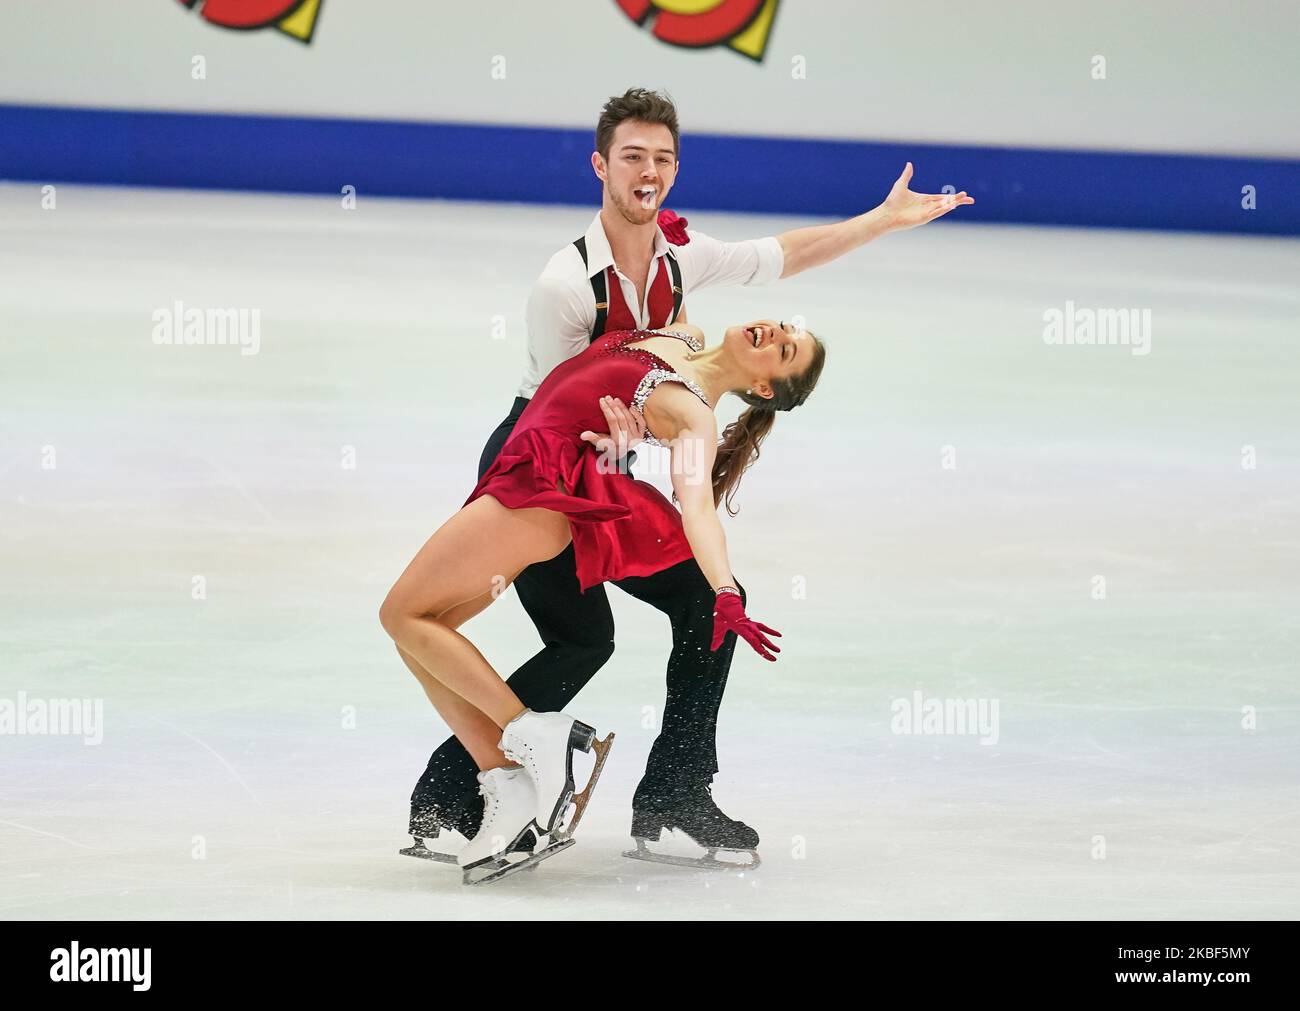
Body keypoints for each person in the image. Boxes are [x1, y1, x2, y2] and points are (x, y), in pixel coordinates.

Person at [403, 87, 974, 867]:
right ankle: (463, 786)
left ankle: (673, 788)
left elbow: (781, 257)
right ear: (601, 165)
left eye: (662, 158)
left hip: (608, 467)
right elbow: (558, 411)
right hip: (544, 459)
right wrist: (617, 436)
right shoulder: (567, 287)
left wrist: (880, 220)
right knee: (578, 638)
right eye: (632, 155)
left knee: (697, 604)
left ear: (675, 170)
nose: (648, 170)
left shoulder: (683, 267)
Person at [380, 318, 824, 881]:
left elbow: (698, 510)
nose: (773, 332)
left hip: (539, 491)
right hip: (523, 469)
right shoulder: (682, 333)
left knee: (402, 615)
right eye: (783, 326)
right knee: (419, 635)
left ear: (764, 389)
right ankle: (503, 780)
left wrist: (725, 590)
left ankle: (538, 736)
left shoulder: (694, 416)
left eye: (785, 350)